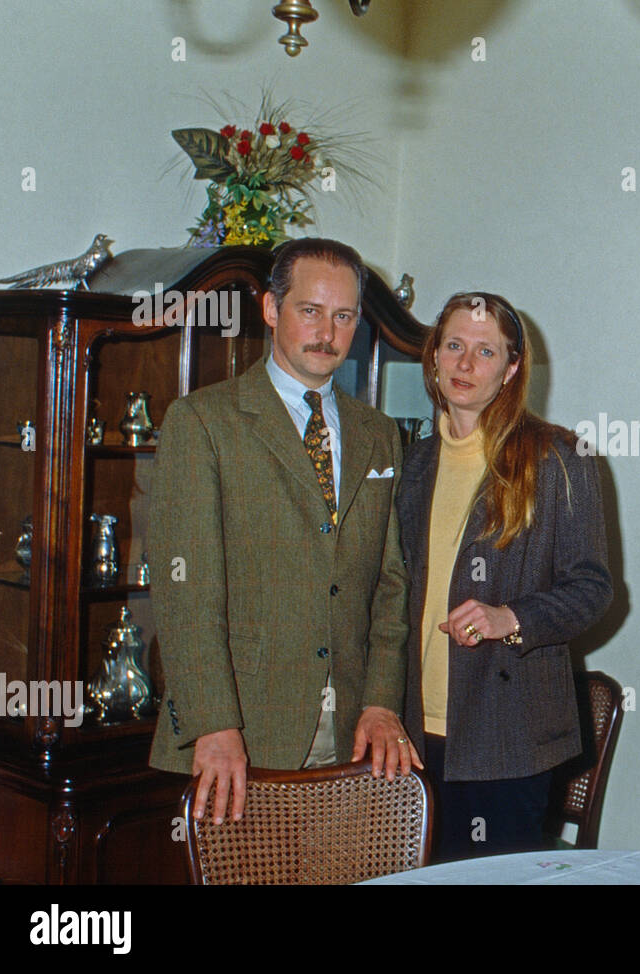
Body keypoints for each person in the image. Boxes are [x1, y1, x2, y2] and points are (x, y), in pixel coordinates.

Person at [148, 238, 420, 825]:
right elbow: (185, 592)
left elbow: (391, 583)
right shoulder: (202, 422)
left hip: (354, 738)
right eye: (310, 310)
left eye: (343, 315)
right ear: (272, 311)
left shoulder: (378, 434)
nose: (328, 331)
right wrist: (214, 724)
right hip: (243, 735)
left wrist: (379, 701)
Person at [397, 291, 612, 861]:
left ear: (512, 368)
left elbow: (592, 588)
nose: (465, 365)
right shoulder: (409, 463)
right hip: (410, 734)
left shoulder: (562, 458)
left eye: (485, 351)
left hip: (508, 737)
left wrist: (509, 617)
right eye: (454, 346)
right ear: (433, 356)